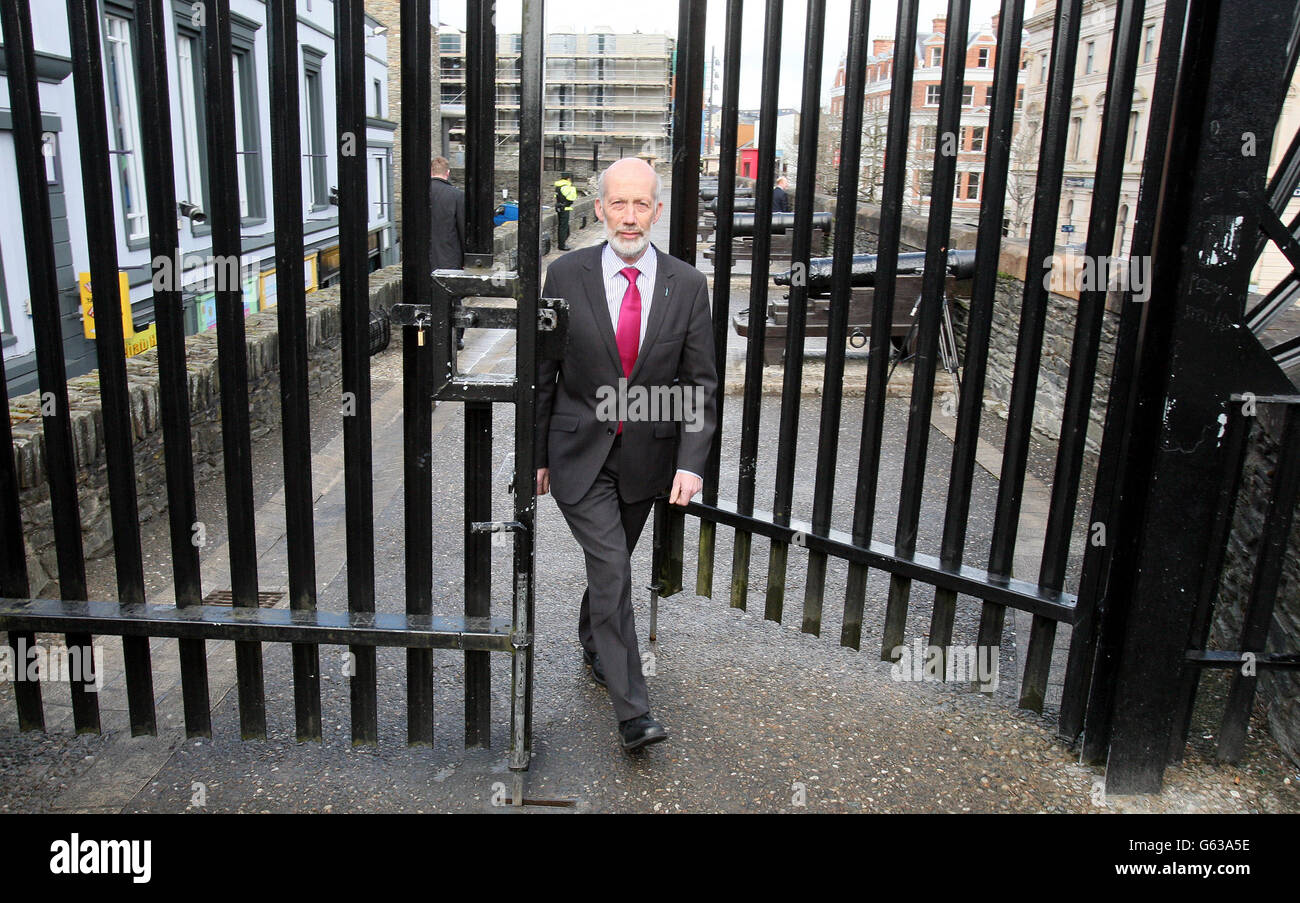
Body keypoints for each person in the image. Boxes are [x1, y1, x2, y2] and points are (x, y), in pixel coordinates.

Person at [535, 158, 718, 752]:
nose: (631, 216)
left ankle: (593, 638)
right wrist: (534, 455)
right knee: (613, 567)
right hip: (578, 453)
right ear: (600, 209)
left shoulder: (687, 285)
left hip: (648, 461)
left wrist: (691, 463)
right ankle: (633, 712)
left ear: (657, 211)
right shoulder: (564, 275)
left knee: (609, 569)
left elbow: (699, 385)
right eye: (619, 204)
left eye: (642, 205)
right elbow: (543, 373)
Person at [429, 156, 466, 350]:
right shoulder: (456, 195)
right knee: (453, 298)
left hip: (425, 258)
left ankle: (429, 334)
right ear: (448, 173)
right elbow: (462, 229)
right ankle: (456, 337)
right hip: (449, 257)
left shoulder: (418, 194)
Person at [553, 172, 578, 251]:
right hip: (565, 208)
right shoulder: (566, 186)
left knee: (562, 226)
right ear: (568, 178)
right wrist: (573, 189)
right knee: (563, 227)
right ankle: (562, 245)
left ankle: (562, 243)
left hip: (559, 208)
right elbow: (572, 198)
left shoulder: (558, 186)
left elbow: (555, 196)